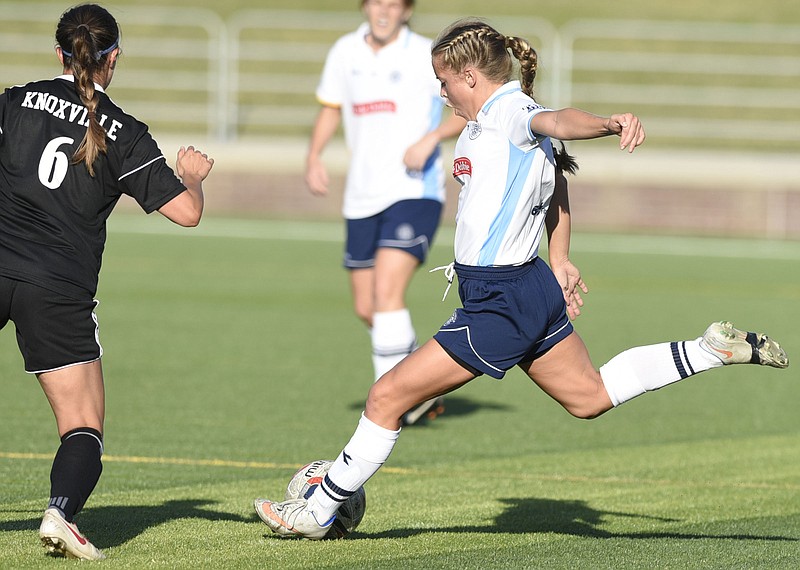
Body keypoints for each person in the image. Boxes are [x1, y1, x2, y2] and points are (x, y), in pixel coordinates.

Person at [254, 18, 788, 539]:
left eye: (444, 82)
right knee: (590, 396)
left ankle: (319, 509)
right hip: (529, 285)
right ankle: (707, 350)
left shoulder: (511, 111)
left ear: (469, 76)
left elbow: (557, 122)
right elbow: (557, 187)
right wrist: (560, 260)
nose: (442, 94)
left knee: (386, 397)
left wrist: (607, 122)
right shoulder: (493, 120)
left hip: (500, 299)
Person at [0, 3, 214, 560]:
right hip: (59, 288)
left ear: (60, 55)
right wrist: (191, 176)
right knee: (82, 425)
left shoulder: (16, 102)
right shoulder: (127, 133)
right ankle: (60, 514)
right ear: (112, 58)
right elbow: (187, 213)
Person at [304, 0, 465, 424]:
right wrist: (315, 154)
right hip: (361, 196)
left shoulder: (425, 55)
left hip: (414, 191)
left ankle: (390, 404)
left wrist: (431, 139)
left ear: (407, 11)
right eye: (377, 1)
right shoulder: (344, 51)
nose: (383, 10)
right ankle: (422, 383)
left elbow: (467, 109)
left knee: (387, 294)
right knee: (366, 306)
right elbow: (330, 108)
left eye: (393, 4)